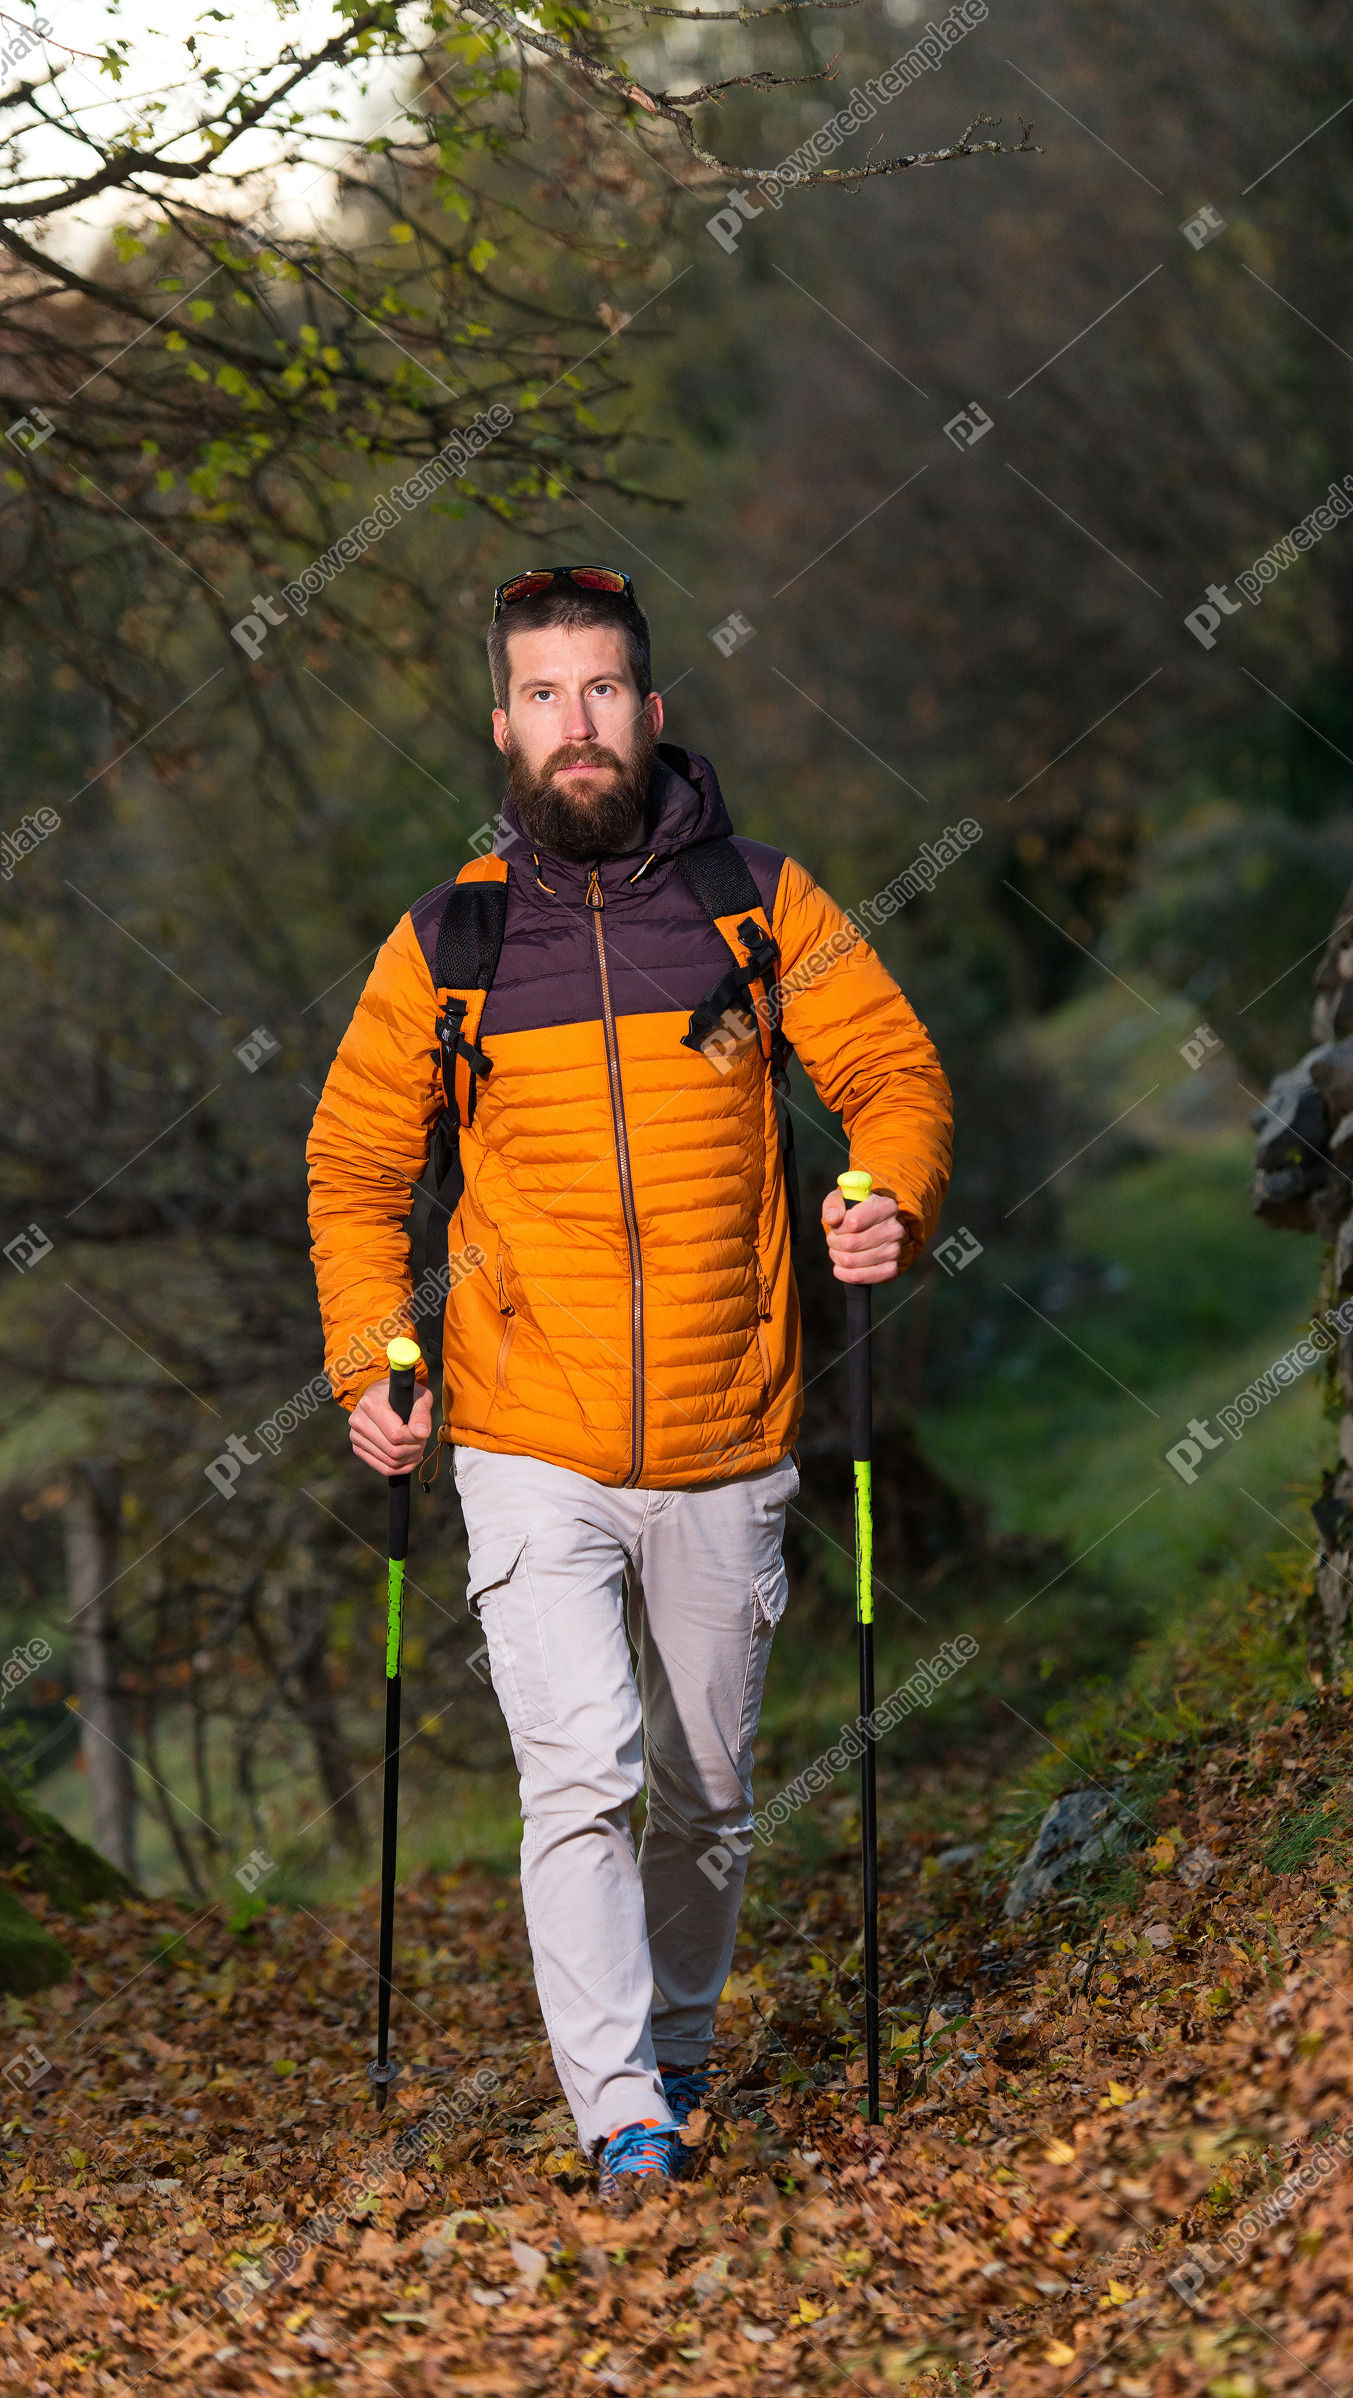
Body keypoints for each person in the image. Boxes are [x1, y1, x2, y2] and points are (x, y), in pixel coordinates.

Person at [306, 565, 952, 2198]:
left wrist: (885, 1192)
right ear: (502, 723)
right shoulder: (447, 943)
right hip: (527, 1433)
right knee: (584, 1764)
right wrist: (370, 1358)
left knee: (714, 1793)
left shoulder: (757, 901)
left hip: (732, 1433)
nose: (573, 724)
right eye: (542, 695)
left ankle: (675, 2041)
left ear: (651, 714)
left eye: (601, 692)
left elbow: (891, 1071)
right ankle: (625, 2114)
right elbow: (355, 1171)